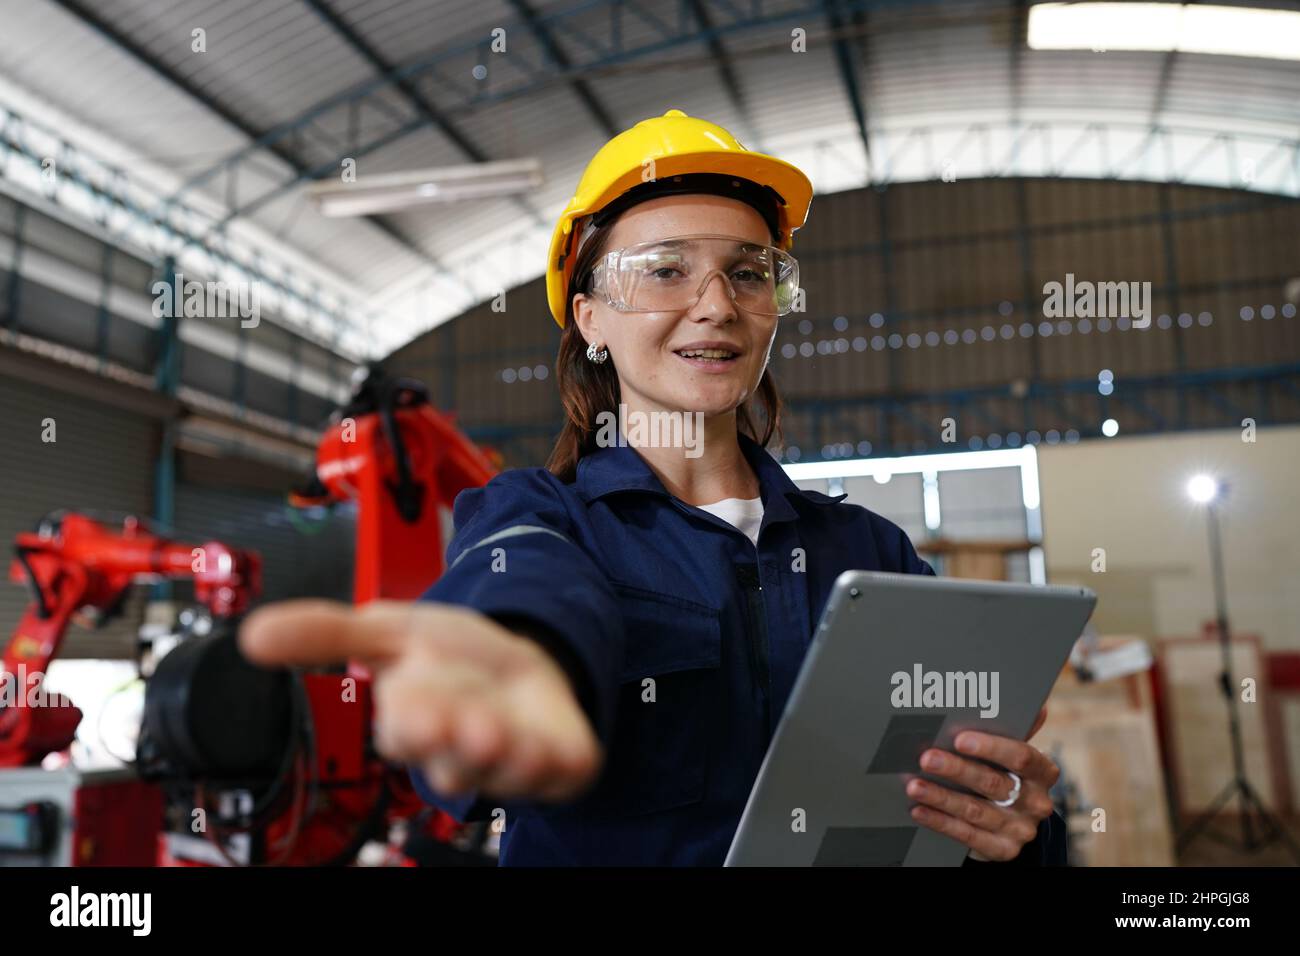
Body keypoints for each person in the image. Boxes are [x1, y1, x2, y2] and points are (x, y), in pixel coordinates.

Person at [241, 109, 1067, 866]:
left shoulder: (868, 552)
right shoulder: (542, 518)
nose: (717, 306)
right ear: (590, 319)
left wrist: (1005, 820)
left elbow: (940, 797)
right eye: (665, 271)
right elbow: (529, 590)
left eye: (749, 274)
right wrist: (520, 661)